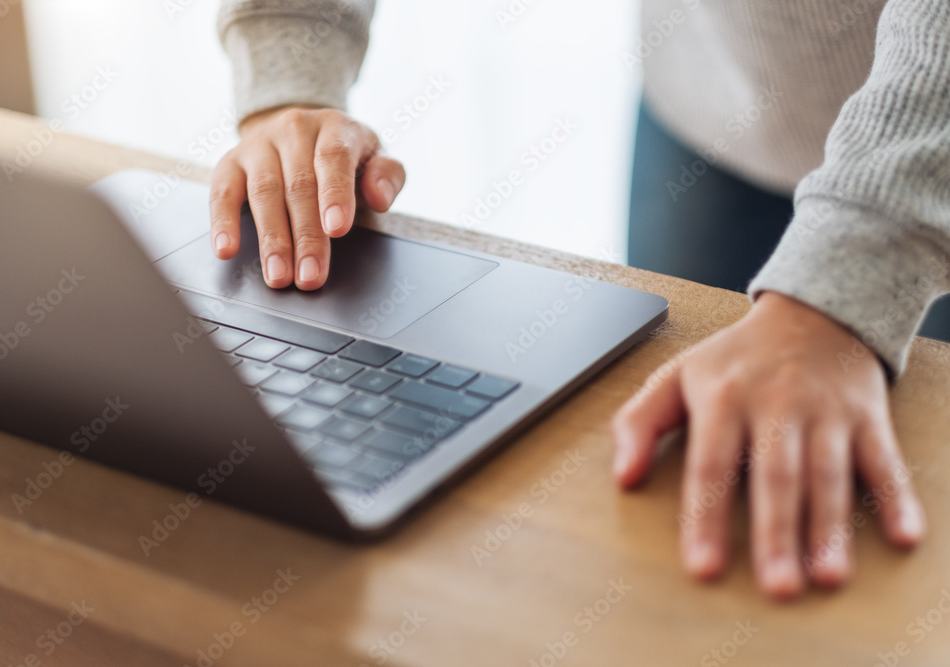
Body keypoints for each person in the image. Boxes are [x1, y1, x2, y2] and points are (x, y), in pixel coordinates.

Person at [210, 0, 950, 598]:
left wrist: (854, 272)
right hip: (712, 102)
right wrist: (288, 75)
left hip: (927, 156)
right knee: (657, 521)